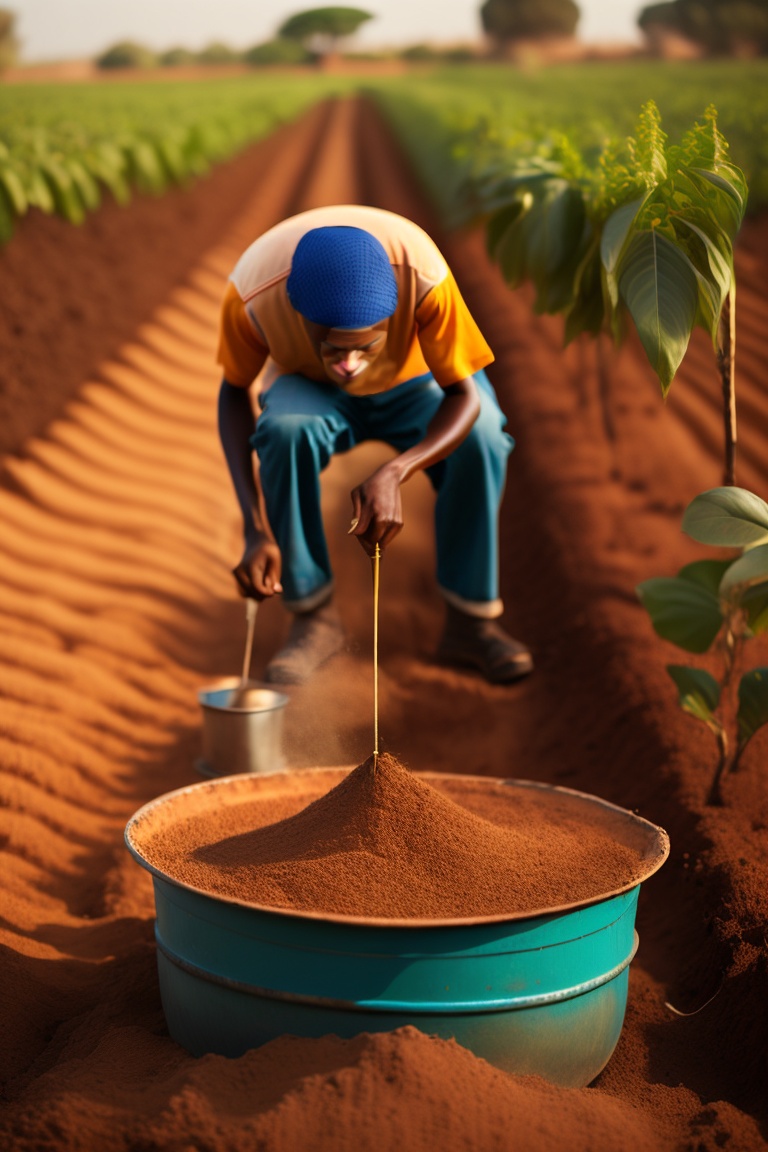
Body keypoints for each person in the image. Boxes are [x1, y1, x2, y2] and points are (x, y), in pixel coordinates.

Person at [216, 204, 532, 686]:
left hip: (415, 380)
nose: (349, 365)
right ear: (297, 312)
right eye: (335, 348)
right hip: (310, 388)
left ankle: (472, 621)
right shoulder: (252, 294)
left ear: (395, 311)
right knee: (284, 431)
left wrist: (397, 470)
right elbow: (233, 392)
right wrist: (255, 528)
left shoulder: (425, 275)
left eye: (365, 345)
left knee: (484, 435)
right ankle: (312, 617)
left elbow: (466, 396)